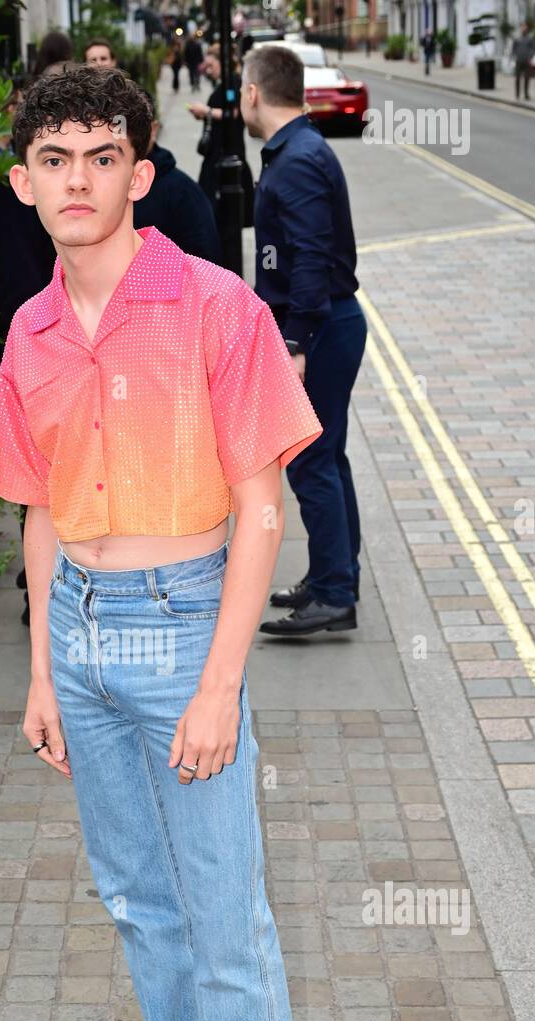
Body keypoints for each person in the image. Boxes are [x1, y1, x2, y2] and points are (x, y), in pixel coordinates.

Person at [0, 64, 329, 1021]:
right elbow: (35, 511)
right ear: (25, 182)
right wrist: (40, 670)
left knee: (224, 909)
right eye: (53, 160)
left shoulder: (213, 307)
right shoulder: (29, 328)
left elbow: (264, 511)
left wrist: (220, 682)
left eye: (100, 158)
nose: (76, 180)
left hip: (187, 620)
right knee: (139, 896)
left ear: (139, 173)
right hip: (79, 629)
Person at [241, 43, 367, 637]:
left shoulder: (295, 161)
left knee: (312, 458)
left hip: (319, 327)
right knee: (328, 456)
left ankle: (335, 594)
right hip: (324, 323)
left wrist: (295, 342)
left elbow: (313, 258)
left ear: (255, 92)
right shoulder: (296, 151)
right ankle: (331, 577)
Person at [0, 73, 57, 626]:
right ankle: (42, 587)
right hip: (46, 332)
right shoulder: (20, 201)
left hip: (21, 332)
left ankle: (39, 587)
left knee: (34, 472)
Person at [132, 87, 222, 262]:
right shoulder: (96, 186)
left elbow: (206, 261)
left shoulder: (183, 193)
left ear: (153, 129)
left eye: (136, 126)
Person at [188, 44, 255, 230]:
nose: (208, 70)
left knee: (216, 206)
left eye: (211, 65)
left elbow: (234, 113)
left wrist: (206, 111)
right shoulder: (225, 83)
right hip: (218, 150)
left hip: (227, 149)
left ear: (222, 62)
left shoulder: (232, 82)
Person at [512, 22, 535, 101]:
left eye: (525, 27)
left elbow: (533, 49)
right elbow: (514, 49)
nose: (524, 28)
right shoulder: (517, 39)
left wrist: (531, 57)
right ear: (521, 28)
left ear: (527, 29)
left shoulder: (530, 39)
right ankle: (517, 94)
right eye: (522, 27)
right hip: (518, 61)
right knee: (517, 78)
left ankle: (526, 94)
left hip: (527, 61)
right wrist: (514, 57)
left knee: (527, 78)